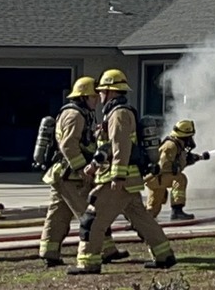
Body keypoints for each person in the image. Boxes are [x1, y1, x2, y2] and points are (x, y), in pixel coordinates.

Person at [67, 69, 176, 275]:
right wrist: (94, 165)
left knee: (92, 220)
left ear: (110, 92)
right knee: (142, 220)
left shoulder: (119, 114)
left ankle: (88, 263)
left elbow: (120, 146)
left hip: (118, 181)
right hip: (128, 179)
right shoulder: (116, 113)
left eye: (101, 91)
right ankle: (164, 255)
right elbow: (108, 147)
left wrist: (117, 175)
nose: (99, 96)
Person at [38, 76, 129, 267]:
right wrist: (82, 169)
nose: (97, 100)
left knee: (58, 215)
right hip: (70, 175)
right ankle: (107, 250)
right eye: (93, 96)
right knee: (91, 213)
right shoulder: (75, 115)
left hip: (62, 174)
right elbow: (69, 145)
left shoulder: (80, 113)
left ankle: (49, 252)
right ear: (84, 97)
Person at [145, 119, 210, 220]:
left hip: (155, 179)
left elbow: (180, 159)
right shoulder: (171, 146)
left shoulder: (178, 145)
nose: (191, 140)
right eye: (190, 137)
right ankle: (177, 210)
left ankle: (140, 219)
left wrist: (198, 158)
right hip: (155, 177)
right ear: (184, 136)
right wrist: (180, 166)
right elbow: (164, 166)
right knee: (180, 179)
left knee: (152, 211)